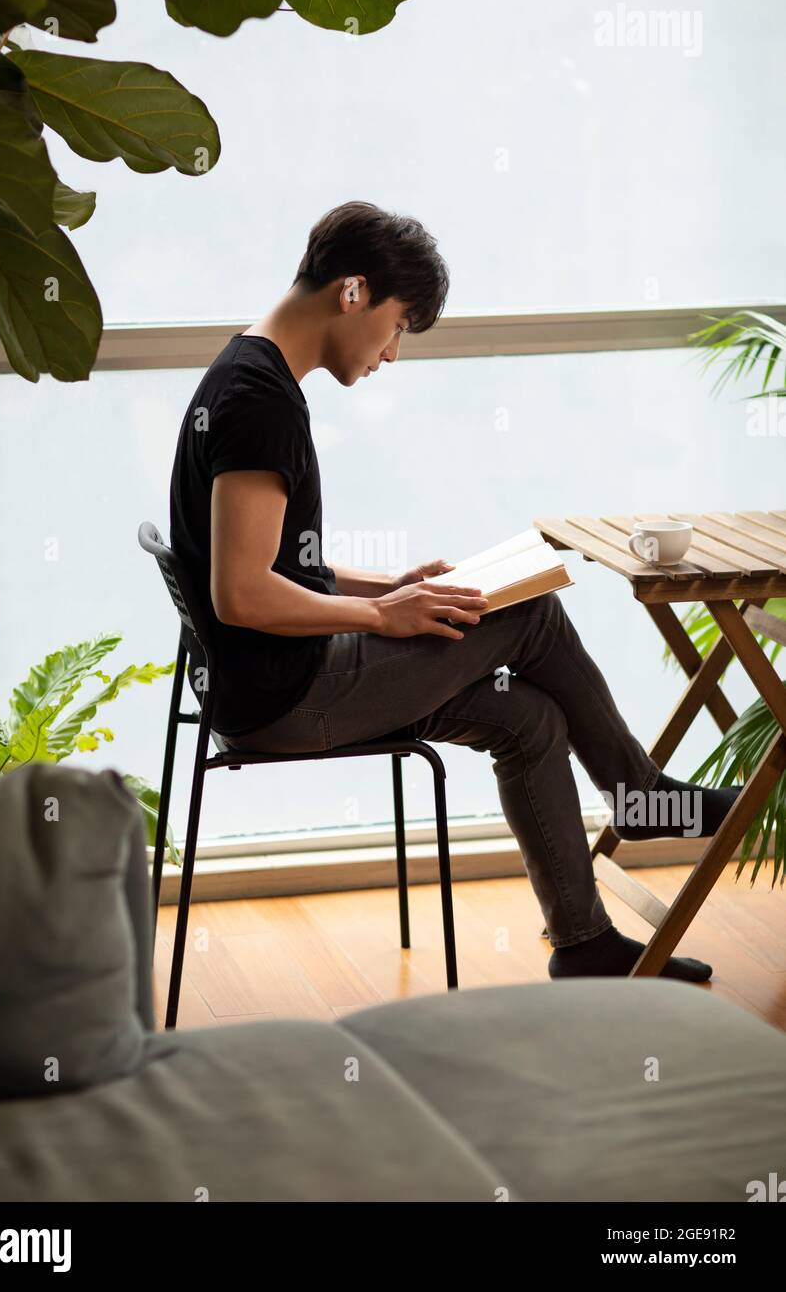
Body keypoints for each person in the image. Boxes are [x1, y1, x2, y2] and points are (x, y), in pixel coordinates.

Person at [169, 201, 739, 982]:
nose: (393, 354)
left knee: (528, 717)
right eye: (400, 326)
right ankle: (639, 796)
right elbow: (240, 593)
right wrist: (379, 614)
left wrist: (390, 584)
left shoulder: (245, 371)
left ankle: (584, 945)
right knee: (531, 607)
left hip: (274, 679)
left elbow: (277, 566)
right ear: (353, 294)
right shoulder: (259, 401)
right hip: (285, 697)